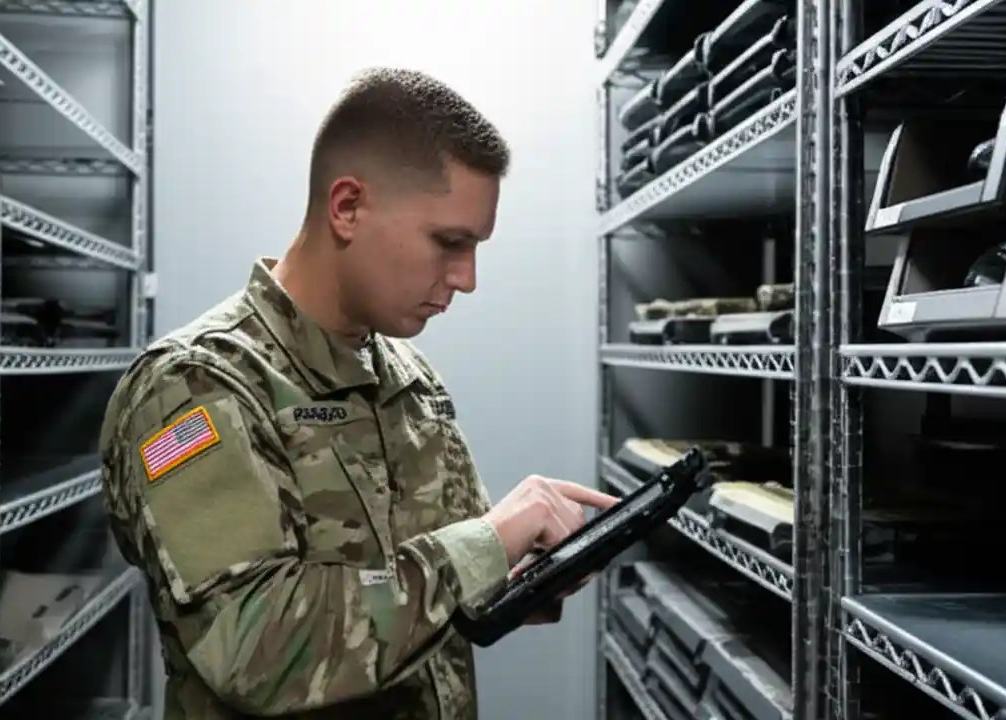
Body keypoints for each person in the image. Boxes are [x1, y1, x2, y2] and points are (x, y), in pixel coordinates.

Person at [97, 67, 619, 719]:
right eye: (449, 243)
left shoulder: (408, 376)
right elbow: (257, 649)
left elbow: (437, 588)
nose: (467, 278)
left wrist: (528, 569)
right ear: (347, 208)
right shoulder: (195, 384)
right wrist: (490, 543)